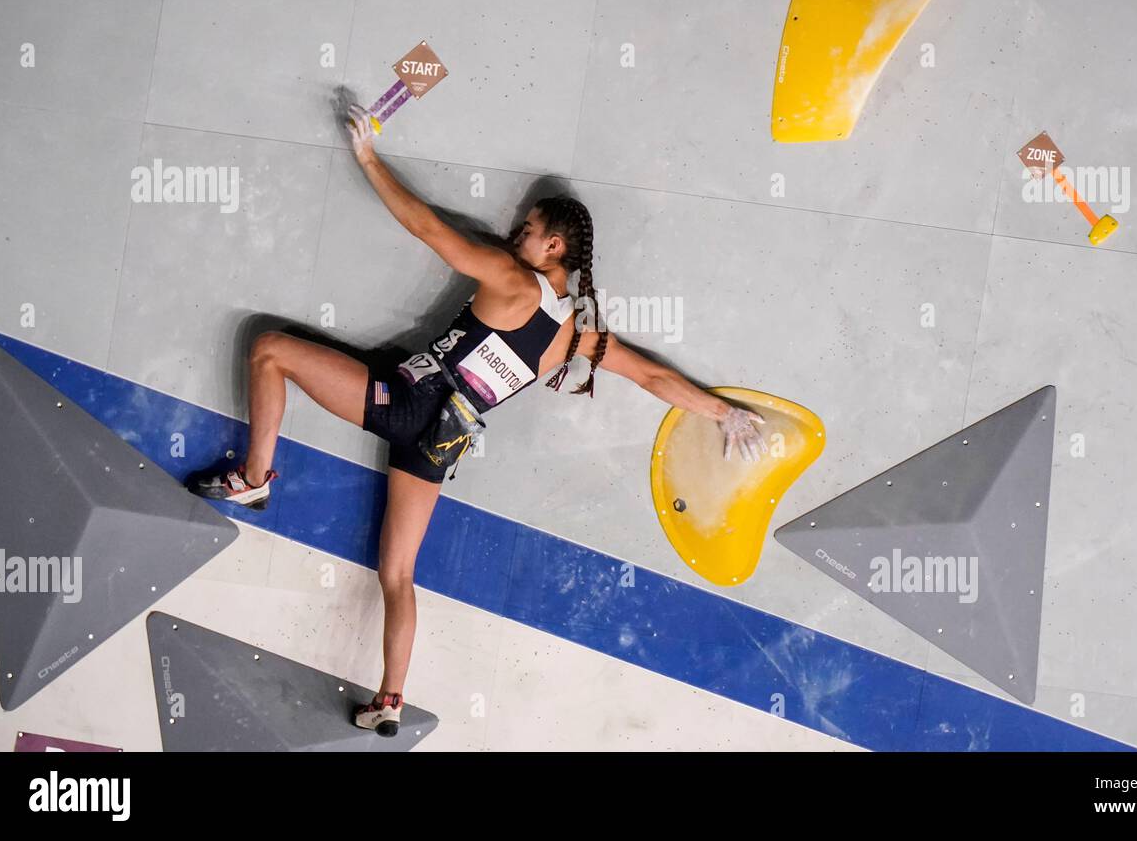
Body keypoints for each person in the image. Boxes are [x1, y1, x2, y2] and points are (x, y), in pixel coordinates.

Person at [190, 105, 767, 736]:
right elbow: (650, 375)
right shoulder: (574, 335)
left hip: (404, 402)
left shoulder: (513, 279)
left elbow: (432, 232)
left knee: (270, 350)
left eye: (528, 227)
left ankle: (254, 477)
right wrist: (723, 413)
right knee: (398, 574)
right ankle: (390, 699)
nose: (515, 232)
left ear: (552, 246)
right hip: (442, 443)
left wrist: (368, 158)